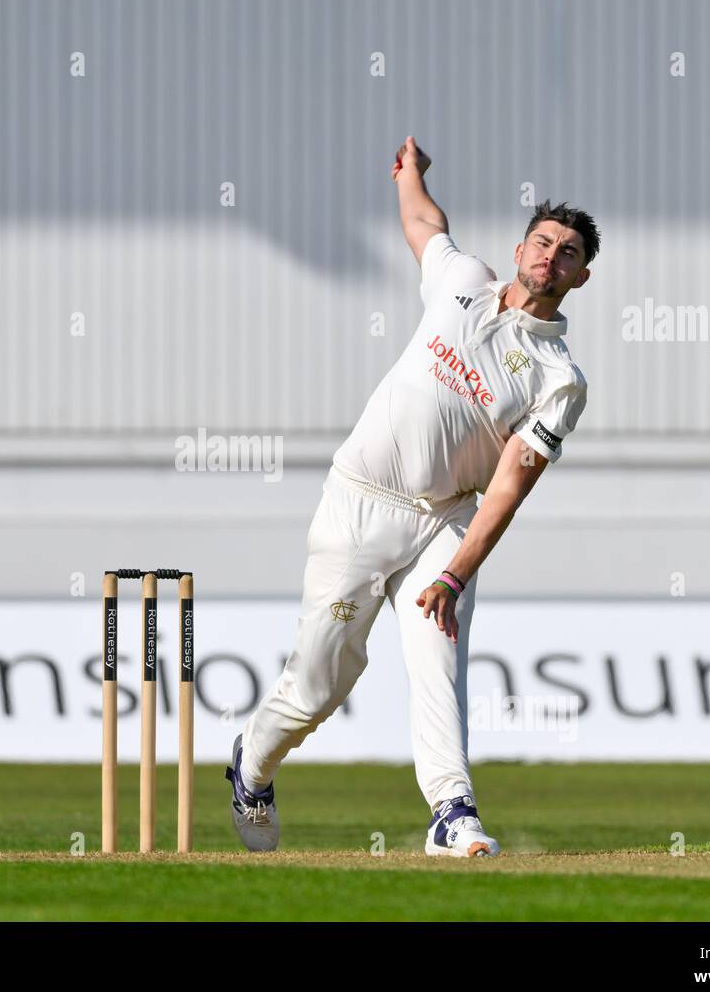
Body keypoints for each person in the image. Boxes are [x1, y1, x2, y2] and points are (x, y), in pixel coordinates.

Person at [226, 138, 598, 857]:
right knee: (317, 684)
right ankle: (253, 764)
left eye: (571, 252)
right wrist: (412, 176)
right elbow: (424, 225)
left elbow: (511, 486)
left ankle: (451, 812)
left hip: (447, 519)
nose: (553, 255)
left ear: (581, 278)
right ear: (520, 249)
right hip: (360, 502)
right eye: (545, 241)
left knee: (438, 657)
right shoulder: (462, 278)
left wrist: (456, 574)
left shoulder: (560, 378)